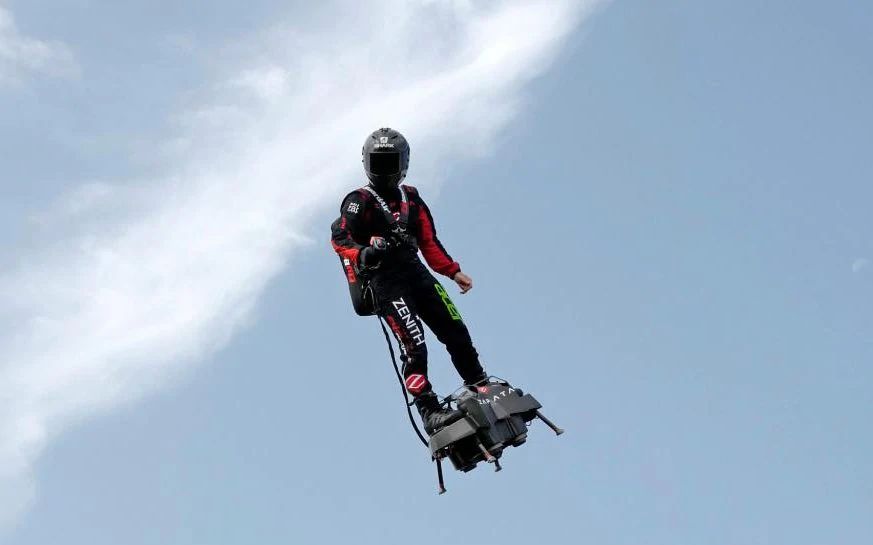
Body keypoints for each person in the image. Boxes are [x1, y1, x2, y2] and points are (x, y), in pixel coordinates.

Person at [331, 127, 488, 434]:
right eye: (379, 162)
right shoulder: (358, 199)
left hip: (417, 273)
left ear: (403, 163)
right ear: (366, 163)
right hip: (385, 282)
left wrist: (452, 270)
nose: (385, 170)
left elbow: (429, 240)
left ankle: (480, 386)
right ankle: (430, 412)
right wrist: (363, 253)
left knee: (455, 329)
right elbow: (340, 237)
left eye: (391, 162)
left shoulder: (412, 198)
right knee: (414, 345)